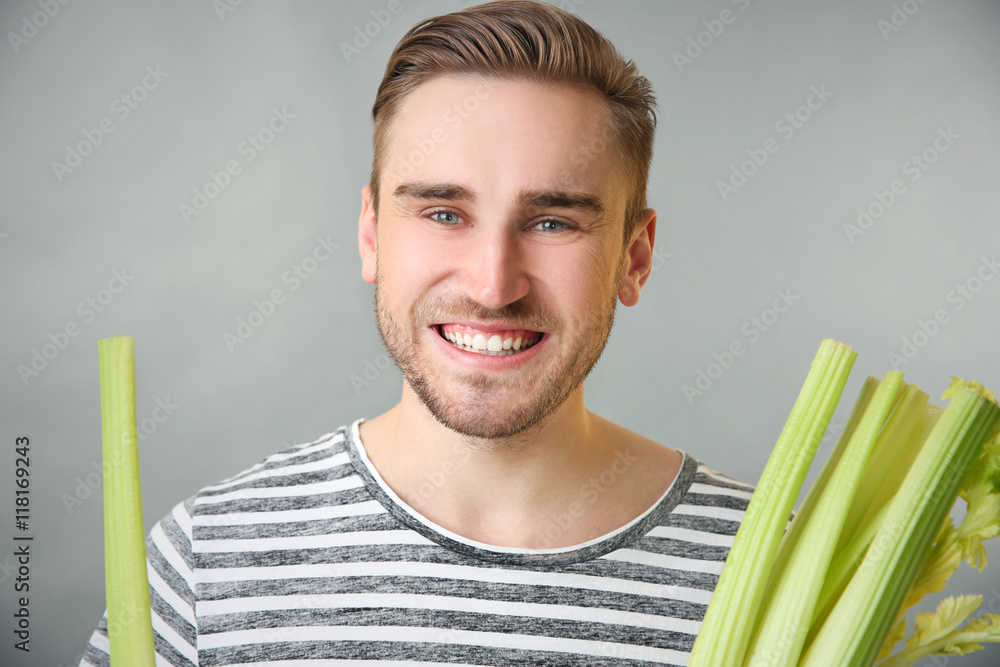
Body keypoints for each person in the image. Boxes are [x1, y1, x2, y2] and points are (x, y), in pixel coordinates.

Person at [80, 2, 752, 664]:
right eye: (442, 213)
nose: (494, 285)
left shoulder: (773, 571)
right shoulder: (204, 564)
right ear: (371, 235)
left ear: (635, 257)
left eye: (553, 222)